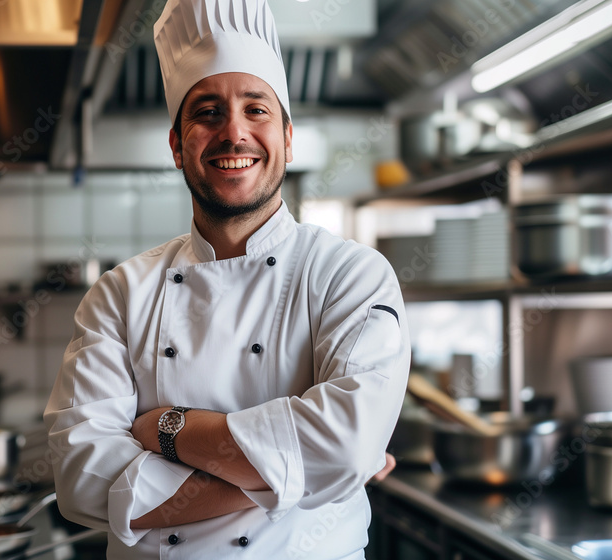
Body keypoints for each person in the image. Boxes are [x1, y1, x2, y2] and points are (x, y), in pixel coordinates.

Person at [43, 0, 410, 557]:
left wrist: (169, 427)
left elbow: (344, 447)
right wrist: (295, 471)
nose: (233, 133)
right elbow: (83, 481)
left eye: (256, 109)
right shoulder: (120, 295)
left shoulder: (349, 275)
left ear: (288, 138)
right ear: (176, 145)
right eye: (208, 112)